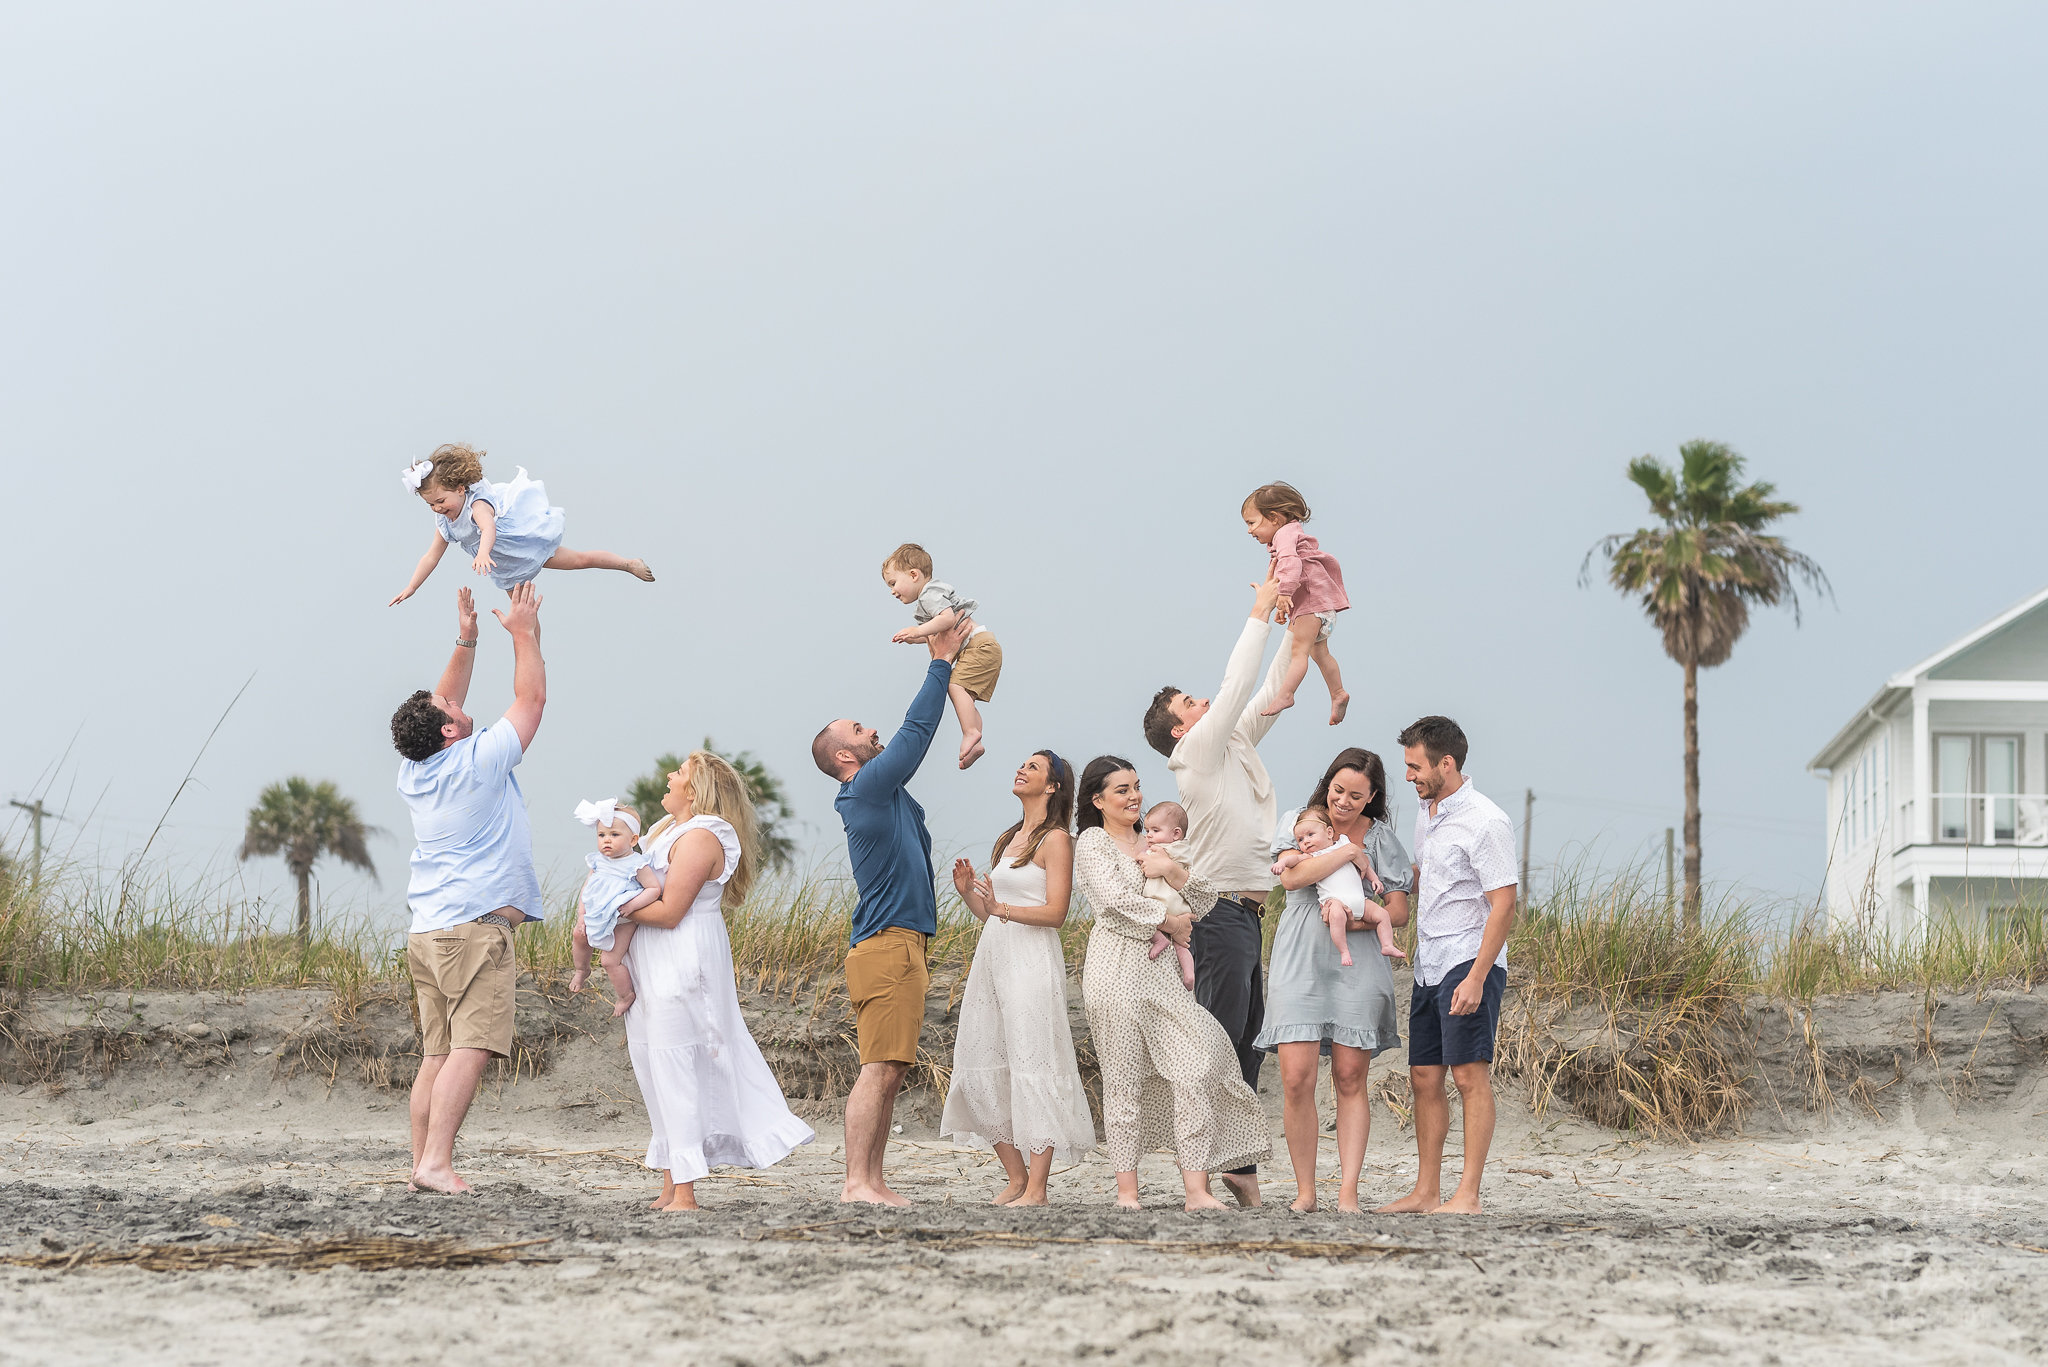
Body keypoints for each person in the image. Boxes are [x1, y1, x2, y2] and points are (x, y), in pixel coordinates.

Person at [388, 583, 547, 1195]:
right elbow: (530, 698)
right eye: (449, 707)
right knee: (472, 1048)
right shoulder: (477, 760)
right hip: (472, 931)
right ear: (450, 731)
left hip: (428, 931)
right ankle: (435, 1164)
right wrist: (524, 633)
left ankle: (421, 1162)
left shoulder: (416, 769)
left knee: (437, 1053)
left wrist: (468, 637)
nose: (454, 700)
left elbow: (444, 699)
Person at [812, 614, 974, 1205]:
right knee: (878, 1068)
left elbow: (910, 743)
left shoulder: (888, 794)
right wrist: (940, 660)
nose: (871, 729)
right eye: (859, 728)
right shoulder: (863, 789)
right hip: (885, 946)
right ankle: (857, 1181)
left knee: (891, 1068)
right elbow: (913, 734)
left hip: (902, 946)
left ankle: (873, 1180)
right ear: (846, 757)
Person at [1139, 572, 1292, 1199]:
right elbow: (1237, 687)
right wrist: (1259, 608)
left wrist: (1301, 617)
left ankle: (1236, 1160)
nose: (1206, 705)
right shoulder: (1195, 755)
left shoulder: (1230, 745)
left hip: (1248, 917)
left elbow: (1275, 685)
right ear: (1180, 730)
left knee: (1249, 1037)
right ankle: (1200, 1170)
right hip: (1218, 912)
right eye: (1192, 705)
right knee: (1217, 1039)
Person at [620, 752, 815, 1212]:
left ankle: (685, 1191)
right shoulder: (660, 831)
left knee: (678, 1061)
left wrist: (613, 911)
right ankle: (670, 1184)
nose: (668, 776)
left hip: (683, 958)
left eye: (680, 773)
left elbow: (669, 913)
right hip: (650, 961)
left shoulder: (703, 836)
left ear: (698, 788)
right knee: (653, 1062)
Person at [1073, 756, 1270, 1211]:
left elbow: (1204, 898)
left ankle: (1197, 1191)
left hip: (1163, 977)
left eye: (1136, 786)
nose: (1134, 796)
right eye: (1121, 790)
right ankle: (1127, 1194)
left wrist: (1172, 871)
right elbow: (1112, 903)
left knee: (1197, 1066)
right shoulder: (1093, 842)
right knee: (1124, 1082)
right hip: (1115, 969)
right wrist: (1168, 923)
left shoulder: (1160, 841)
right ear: (1098, 800)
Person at [1255, 748, 1414, 1214]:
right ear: (1327, 785)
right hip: (1300, 954)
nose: (1343, 802)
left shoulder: (1383, 839)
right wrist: (1346, 851)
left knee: (1350, 1076)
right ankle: (1306, 1191)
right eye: (1338, 790)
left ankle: (1348, 1192)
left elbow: (1399, 911)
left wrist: (1349, 919)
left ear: (1373, 798)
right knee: (1296, 1077)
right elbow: (1292, 878)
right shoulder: (1299, 822)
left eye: (1356, 796)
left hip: (1358, 956)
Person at [940, 750, 1097, 1205]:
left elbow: (1056, 913)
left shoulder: (1057, 840)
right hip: (993, 957)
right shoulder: (1009, 838)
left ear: (1052, 786)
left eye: (1033, 766)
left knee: (1033, 1062)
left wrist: (1001, 909)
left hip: (1031, 960)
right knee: (978, 1061)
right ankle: (1015, 1176)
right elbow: (989, 914)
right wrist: (970, 894)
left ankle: (1038, 1187)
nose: (1021, 769)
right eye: (1022, 764)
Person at [1377, 717, 1517, 1217]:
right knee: (1423, 1077)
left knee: (1468, 1076)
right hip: (1428, 964)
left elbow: (1503, 903)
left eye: (1415, 766)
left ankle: (1469, 1195)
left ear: (1446, 763)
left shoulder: (1486, 821)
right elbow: (1422, 877)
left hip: (1467, 961)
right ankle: (1426, 1191)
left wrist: (1478, 977)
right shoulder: (1426, 812)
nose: (1409, 776)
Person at [388, 442, 653, 603]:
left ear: (459, 489)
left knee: (579, 560)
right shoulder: (444, 522)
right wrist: (411, 586)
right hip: (506, 566)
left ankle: (627, 564)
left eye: (440, 501)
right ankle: (534, 655)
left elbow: (488, 527)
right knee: (520, 614)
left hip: (521, 544)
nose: (437, 508)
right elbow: (431, 557)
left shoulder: (477, 505)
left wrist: (481, 553)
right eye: (430, 505)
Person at [880, 542, 1002, 769]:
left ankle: (971, 732)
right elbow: (936, 631)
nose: (892, 591)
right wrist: (913, 638)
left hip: (978, 646)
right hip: (981, 647)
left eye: (894, 583)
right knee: (965, 696)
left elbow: (947, 619)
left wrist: (917, 630)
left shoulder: (929, 595)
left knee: (955, 687)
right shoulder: (931, 597)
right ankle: (975, 740)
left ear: (914, 574)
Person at [1241, 481, 1349, 725]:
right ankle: (1338, 693)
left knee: (1298, 653)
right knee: (1320, 653)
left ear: (1275, 518)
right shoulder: (1292, 533)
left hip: (1312, 605)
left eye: (1252, 523)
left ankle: (1286, 694)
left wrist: (1285, 593)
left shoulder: (1284, 536)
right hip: (1321, 608)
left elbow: (1292, 564)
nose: (1249, 531)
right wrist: (1286, 606)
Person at [1273, 806, 1404, 967]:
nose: (1305, 841)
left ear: (1328, 832)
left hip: (1359, 900)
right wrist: (1282, 863)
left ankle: (1387, 945)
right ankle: (1344, 951)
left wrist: (1374, 879)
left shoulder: (1344, 843)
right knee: (1336, 918)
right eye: (1300, 839)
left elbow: (1364, 864)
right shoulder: (1311, 857)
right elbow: (1293, 861)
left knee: (1382, 915)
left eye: (1310, 835)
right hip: (1335, 902)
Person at [567, 799, 662, 1016]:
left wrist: (632, 905)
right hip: (597, 913)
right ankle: (582, 969)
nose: (606, 841)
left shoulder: (636, 864)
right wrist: (582, 915)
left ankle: (625, 995)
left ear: (633, 839)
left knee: (609, 960)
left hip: (623, 919)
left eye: (614, 835)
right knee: (579, 935)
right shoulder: (598, 861)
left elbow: (653, 889)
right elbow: (587, 888)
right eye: (602, 835)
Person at [1139, 801, 1197, 991]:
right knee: (1181, 944)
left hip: (1164, 901)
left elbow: (1150, 860)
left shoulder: (1164, 850)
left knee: (1150, 917)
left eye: (1155, 830)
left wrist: (1140, 856)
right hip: (1176, 906)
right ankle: (1189, 973)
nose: (1149, 835)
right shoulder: (1182, 850)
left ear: (1176, 834)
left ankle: (1159, 939)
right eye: (1147, 830)